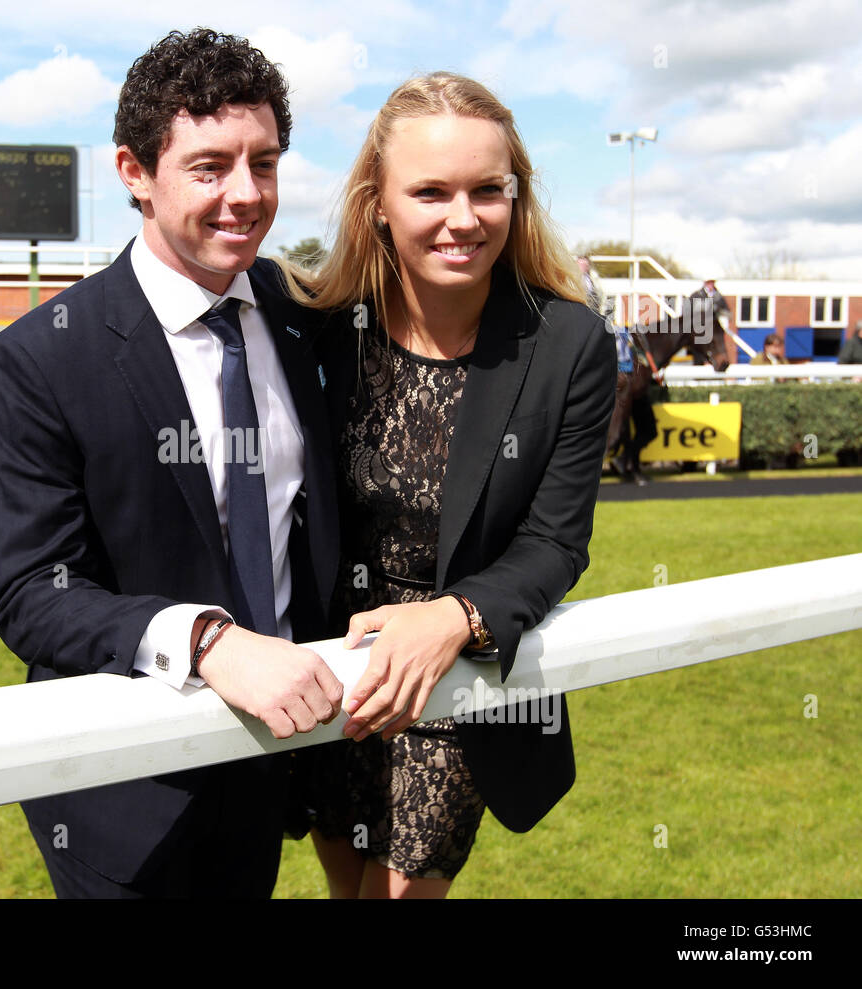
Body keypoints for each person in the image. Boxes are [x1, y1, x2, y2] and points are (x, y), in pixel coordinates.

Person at [0, 28, 344, 899]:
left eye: (265, 164)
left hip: (272, 764)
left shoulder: (306, 320)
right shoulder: (39, 360)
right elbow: (31, 593)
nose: (246, 196)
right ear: (134, 173)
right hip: (121, 798)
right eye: (210, 167)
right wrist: (208, 639)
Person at [286, 72, 616, 898]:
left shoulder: (569, 343)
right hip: (330, 670)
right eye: (430, 191)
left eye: (487, 190)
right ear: (378, 202)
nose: (463, 219)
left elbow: (555, 542)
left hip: (459, 679)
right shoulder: (322, 330)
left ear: (517, 196)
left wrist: (455, 615)